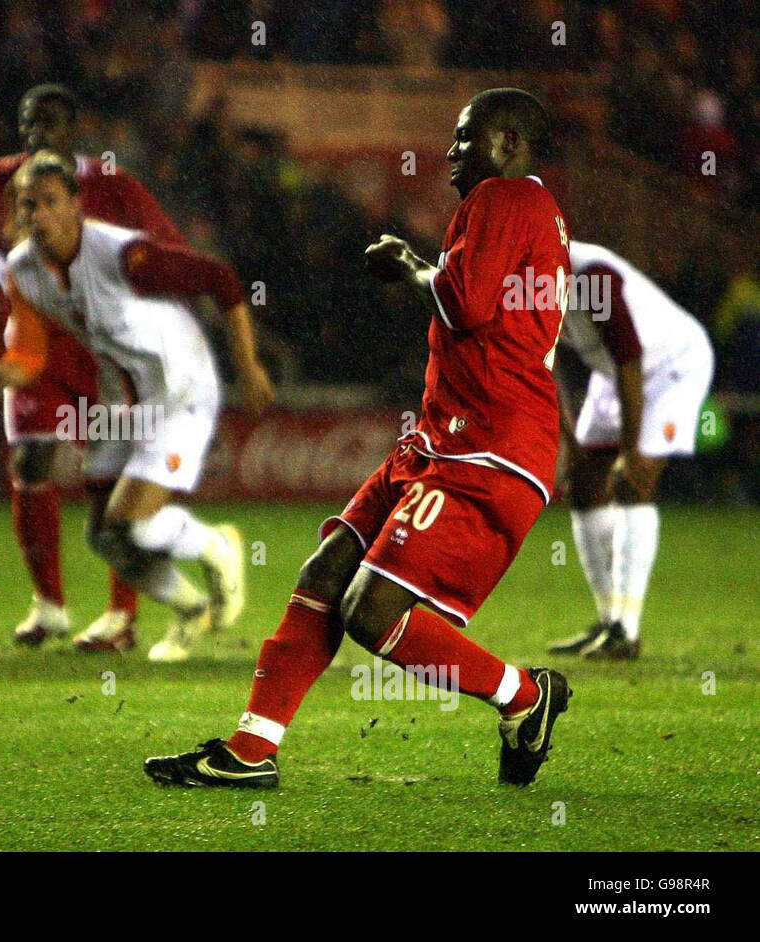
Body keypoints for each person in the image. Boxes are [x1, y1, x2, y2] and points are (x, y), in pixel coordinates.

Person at [144, 88, 573, 788]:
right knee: (325, 570)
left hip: (487, 452)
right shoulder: (529, 212)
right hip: (444, 443)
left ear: (512, 145)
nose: (451, 151)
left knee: (371, 612)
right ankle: (251, 752)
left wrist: (408, 264)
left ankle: (526, 695)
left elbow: (464, 302)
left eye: (466, 137)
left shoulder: (507, 198)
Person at [0, 151, 274, 662]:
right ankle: (191, 608)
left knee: (134, 521)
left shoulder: (125, 257)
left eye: (50, 202)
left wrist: (249, 366)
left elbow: (221, 281)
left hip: (180, 391)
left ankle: (217, 545)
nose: (36, 215)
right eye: (26, 204)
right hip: (121, 400)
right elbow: (31, 355)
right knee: (105, 537)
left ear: (77, 205)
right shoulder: (23, 269)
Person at [0, 83, 185, 652]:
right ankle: (48, 604)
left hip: (104, 348)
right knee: (31, 461)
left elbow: (167, 246)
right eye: (30, 122)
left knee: (107, 483)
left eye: (51, 123)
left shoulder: (113, 184)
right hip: (33, 339)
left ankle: (121, 617)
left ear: (75, 129)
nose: (38, 133)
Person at [548, 240, 714, 660]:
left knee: (632, 482)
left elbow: (629, 357)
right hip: (613, 370)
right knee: (584, 482)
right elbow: (545, 361)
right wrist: (568, 443)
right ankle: (607, 620)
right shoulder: (525, 280)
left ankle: (627, 630)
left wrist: (633, 448)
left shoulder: (592, 276)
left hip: (668, 366)